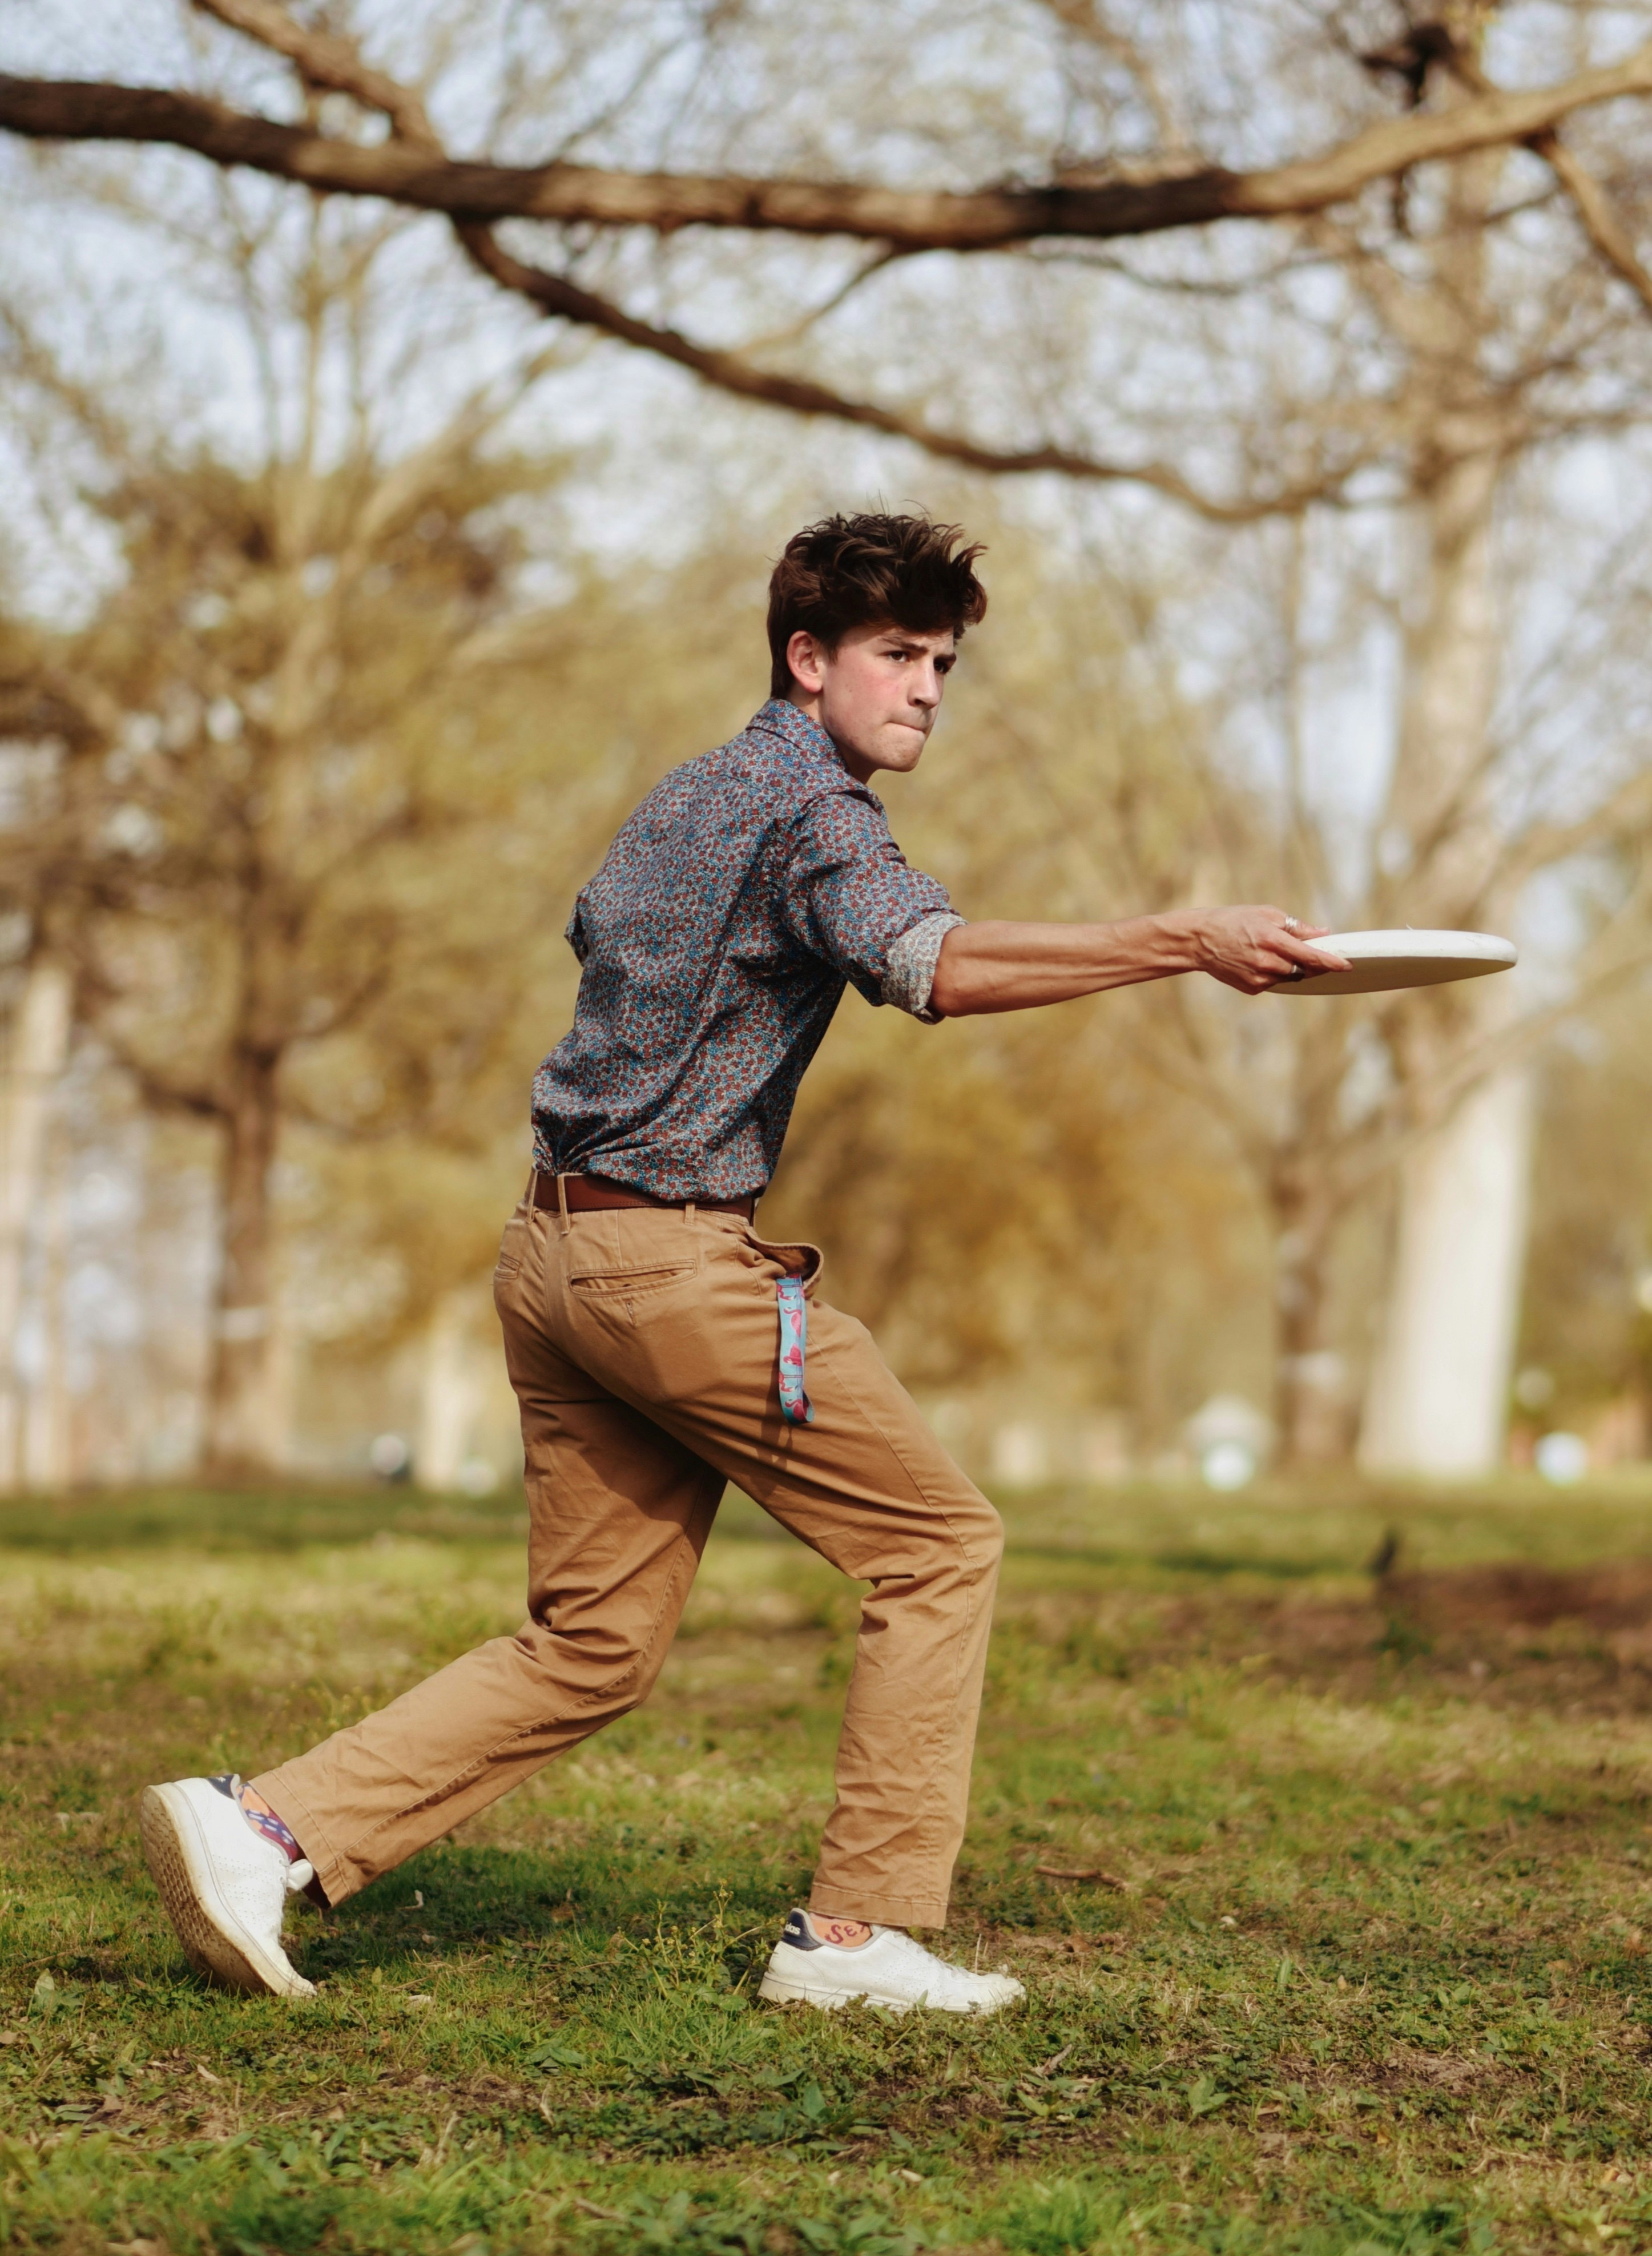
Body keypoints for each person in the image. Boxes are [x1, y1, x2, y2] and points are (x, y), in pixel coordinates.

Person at [139, 511, 1343, 2013]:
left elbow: (615, 944)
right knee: (938, 1547)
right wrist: (1180, 938)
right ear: (807, 657)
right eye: (898, 657)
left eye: (944, 663)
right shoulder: (812, 811)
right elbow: (936, 967)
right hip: (669, 1275)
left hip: (551, 1255)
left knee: (595, 1645)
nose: (926, 691)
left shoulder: (691, 794)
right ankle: (855, 1940)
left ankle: (260, 1834)